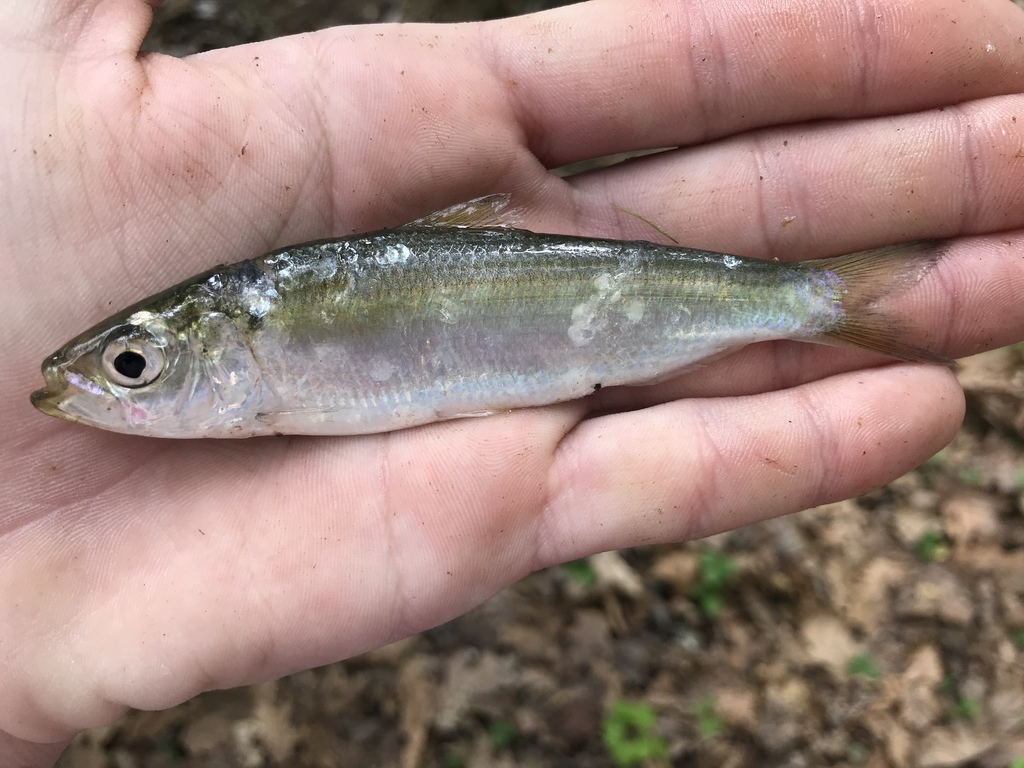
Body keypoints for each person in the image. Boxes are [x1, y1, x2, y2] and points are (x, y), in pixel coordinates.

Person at [3, 0, 1024, 763]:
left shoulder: (267, 318)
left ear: (220, 344)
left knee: (820, 306)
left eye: (132, 367)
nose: (115, 384)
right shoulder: (257, 329)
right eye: (132, 366)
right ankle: (830, 300)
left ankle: (826, 300)